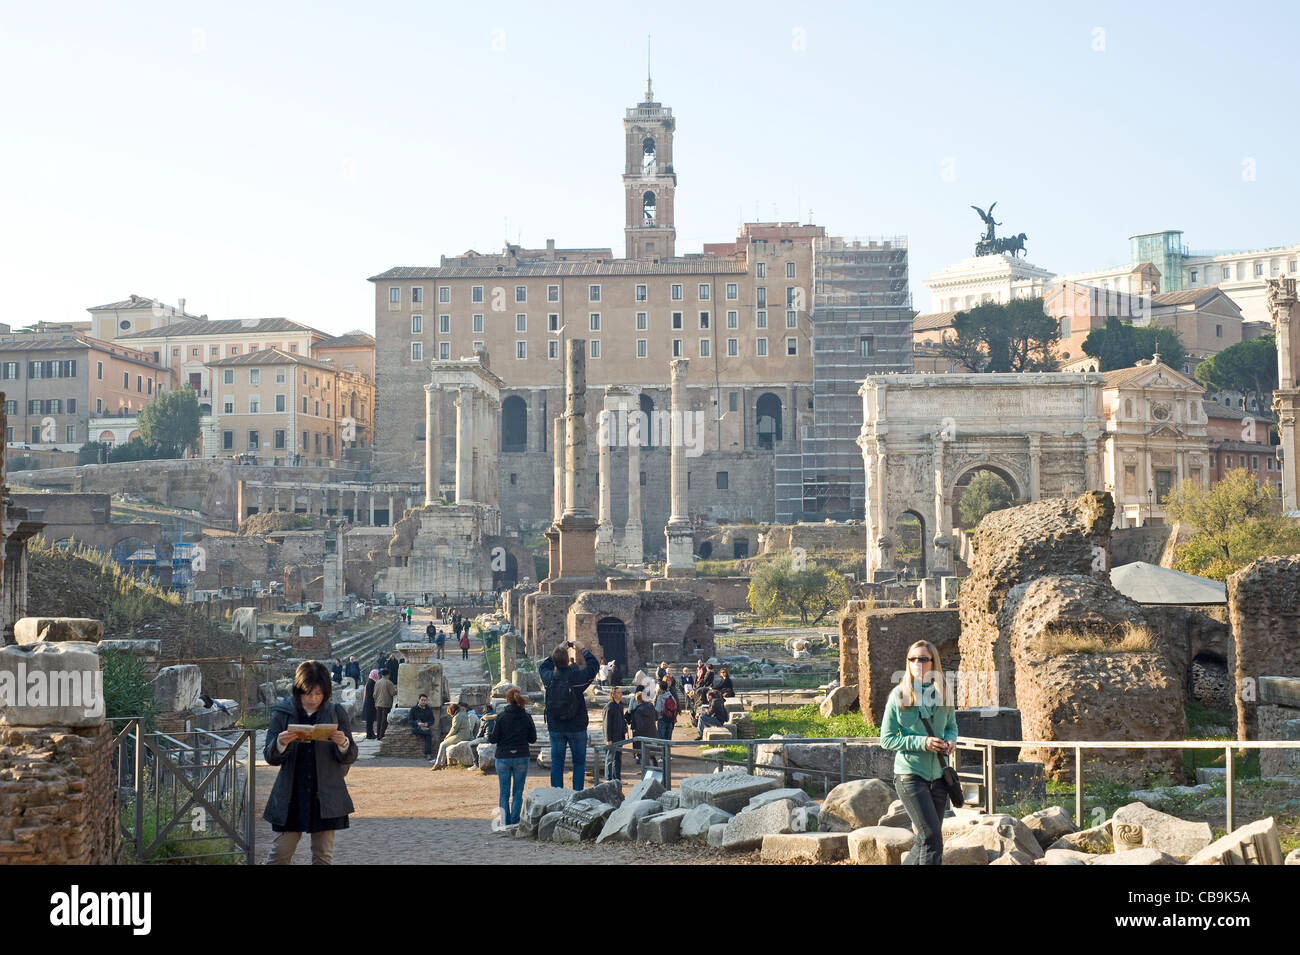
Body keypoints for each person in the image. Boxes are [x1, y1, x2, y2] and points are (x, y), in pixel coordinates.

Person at [263, 661, 357, 864]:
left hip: (325, 793)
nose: (313, 699)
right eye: (307, 693)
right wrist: (280, 743)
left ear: (326, 692)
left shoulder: (335, 712)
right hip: (291, 793)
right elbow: (269, 756)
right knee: (279, 855)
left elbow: (350, 755)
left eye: (318, 694)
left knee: (323, 857)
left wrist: (343, 743)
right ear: (298, 690)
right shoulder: (283, 713)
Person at [881, 639, 957, 866]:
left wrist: (951, 740)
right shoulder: (898, 695)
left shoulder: (944, 693)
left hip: (940, 777)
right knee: (932, 839)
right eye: (912, 658)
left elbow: (951, 726)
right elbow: (886, 739)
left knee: (926, 839)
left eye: (923, 658)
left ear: (933, 662)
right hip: (910, 776)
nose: (917, 662)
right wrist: (922, 742)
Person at [537, 641, 599, 789]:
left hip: (556, 726)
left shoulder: (548, 678)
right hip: (577, 726)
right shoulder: (577, 678)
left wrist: (559, 648)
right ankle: (576, 795)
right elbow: (594, 666)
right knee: (579, 764)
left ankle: (557, 795)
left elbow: (543, 666)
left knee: (557, 764)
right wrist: (582, 648)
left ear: (555, 661)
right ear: (567, 660)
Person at [488, 686, 536, 825]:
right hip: (521, 755)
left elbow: (494, 739)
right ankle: (515, 821)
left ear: (507, 700)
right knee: (518, 792)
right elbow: (532, 739)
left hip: (503, 756)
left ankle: (504, 821)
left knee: (504, 792)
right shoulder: (526, 716)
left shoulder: (501, 717)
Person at [432, 703, 472, 769]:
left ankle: (438, 764)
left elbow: (454, 729)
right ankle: (442, 763)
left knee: (443, 744)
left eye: (449, 712)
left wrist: (447, 736)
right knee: (445, 744)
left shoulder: (457, 716)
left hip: (461, 735)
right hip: (466, 735)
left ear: (452, 709)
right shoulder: (464, 713)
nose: (450, 715)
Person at [602, 685, 629, 782]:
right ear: (613, 695)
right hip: (612, 737)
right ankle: (608, 779)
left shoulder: (620, 705)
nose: (620, 694)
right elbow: (606, 724)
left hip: (620, 736)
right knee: (610, 759)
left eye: (621, 692)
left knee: (618, 758)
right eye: (618, 692)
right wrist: (608, 739)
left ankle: (617, 778)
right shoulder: (609, 707)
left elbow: (622, 720)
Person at [627, 689, 657, 765]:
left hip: (642, 735)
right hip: (652, 732)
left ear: (637, 700)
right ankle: (655, 768)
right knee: (651, 754)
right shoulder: (651, 707)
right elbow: (656, 717)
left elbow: (639, 725)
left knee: (643, 755)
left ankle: (646, 771)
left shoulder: (638, 711)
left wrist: (635, 732)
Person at [409, 693, 437, 760]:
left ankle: (428, 754)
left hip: (425, 728)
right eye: (422, 700)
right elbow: (410, 721)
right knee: (428, 733)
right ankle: (428, 754)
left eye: (425, 700)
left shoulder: (428, 709)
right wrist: (417, 723)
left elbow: (432, 720)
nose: (423, 701)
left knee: (428, 735)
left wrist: (427, 724)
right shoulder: (413, 709)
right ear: (419, 700)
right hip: (416, 728)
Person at [373, 670, 396, 740]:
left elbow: (374, 694)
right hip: (386, 704)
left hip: (378, 703)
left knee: (379, 719)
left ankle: (378, 735)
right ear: (388, 675)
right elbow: (392, 693)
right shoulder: (389, 683)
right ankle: (382, 735)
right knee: (384, 720)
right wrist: (396, 691)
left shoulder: (377, 682)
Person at [361, 669, 379, 739]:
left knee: (370, 720)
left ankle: (371, 733)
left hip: (369, 703)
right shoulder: (371, 683)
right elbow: (372, 694)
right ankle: (369, 735)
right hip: (370, 704)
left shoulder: (371, 682)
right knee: (369, 721)